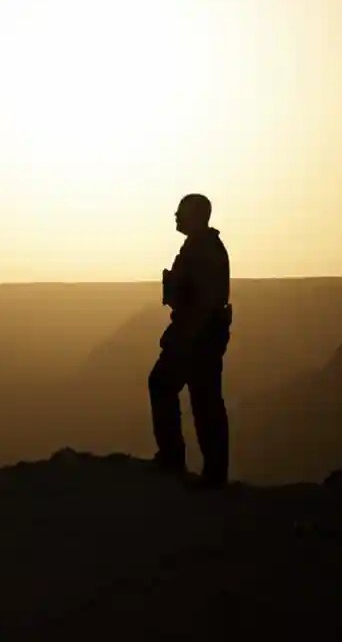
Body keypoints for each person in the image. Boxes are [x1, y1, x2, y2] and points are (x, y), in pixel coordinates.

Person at [148, 193, 232, 488]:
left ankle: (177, 460)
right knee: (204, 400)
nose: (175, 216)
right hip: (199, 334)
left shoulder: (203, 249)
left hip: (196, 336)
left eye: (181, 211)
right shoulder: (201, 246)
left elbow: (205, 301)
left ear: (195, 215)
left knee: (175, 389)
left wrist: (186, 336)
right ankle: (211, 473)